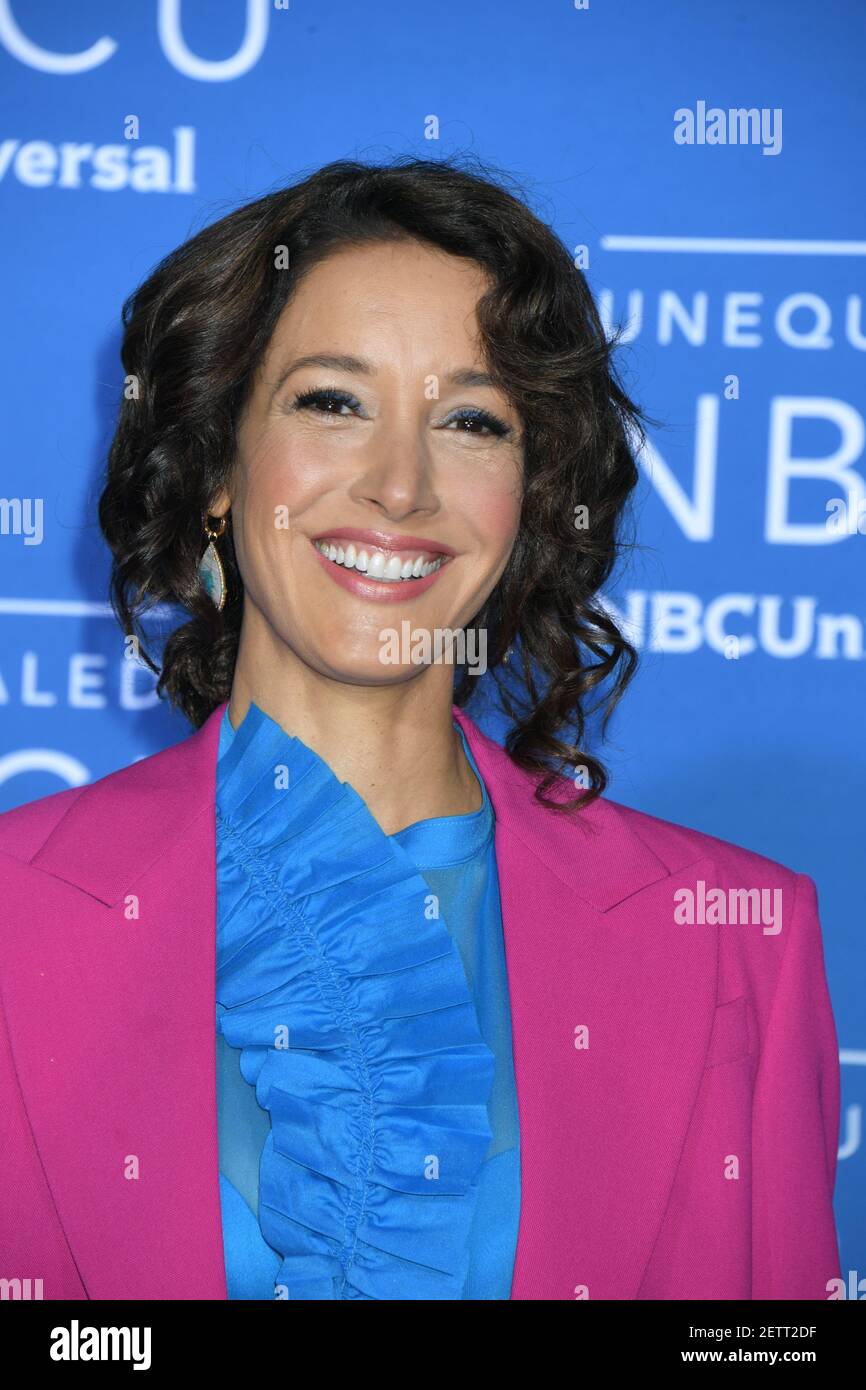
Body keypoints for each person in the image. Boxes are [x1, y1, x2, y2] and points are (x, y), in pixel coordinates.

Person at [0, 156, 841, 1300]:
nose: (399, 485)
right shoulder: (15, 915)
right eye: (331, 401)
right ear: (215, 469)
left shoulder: (735, 939)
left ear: (528, 496)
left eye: (470, 420)